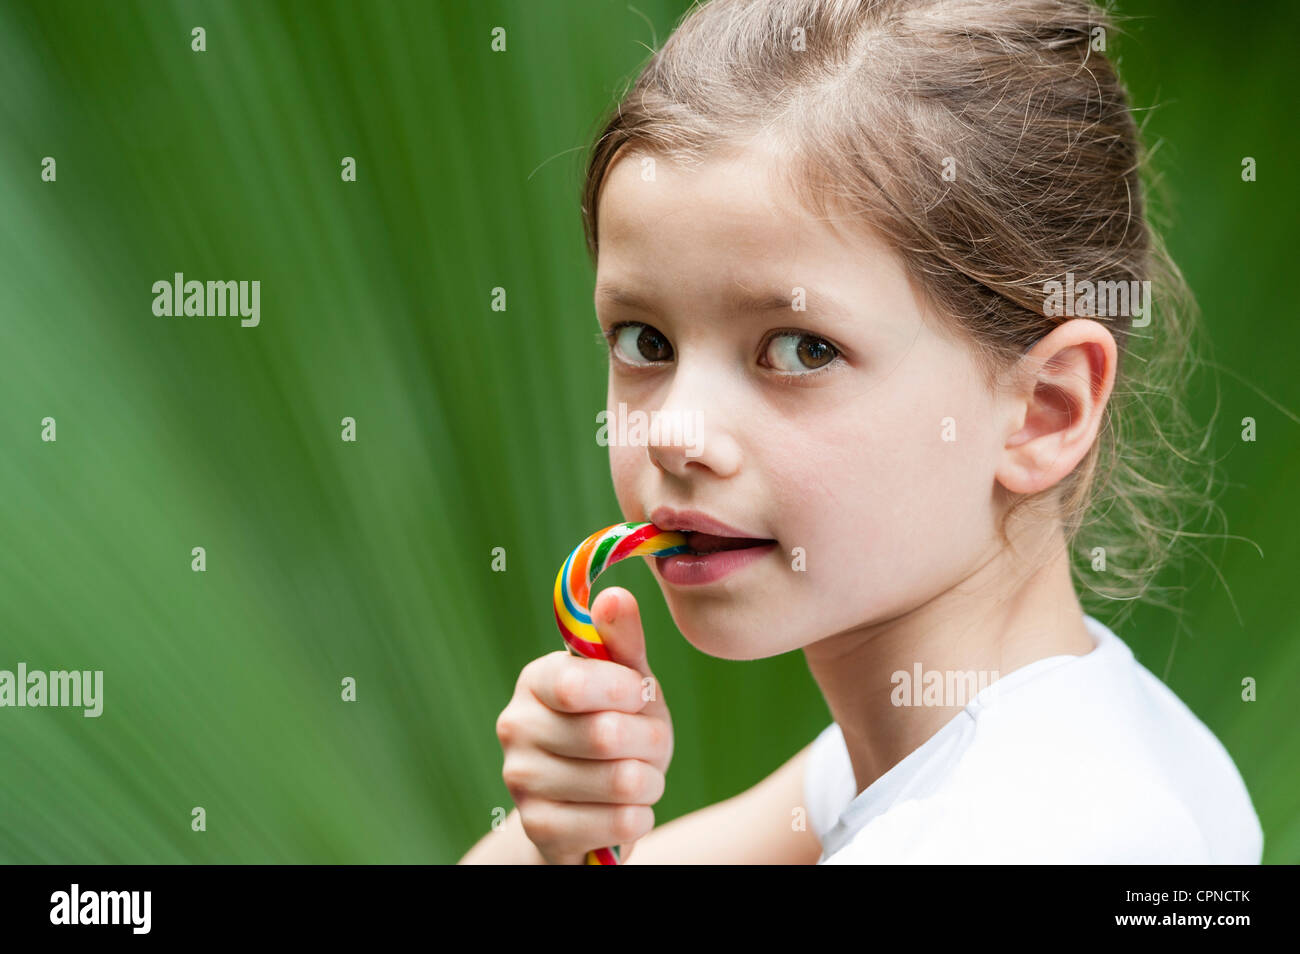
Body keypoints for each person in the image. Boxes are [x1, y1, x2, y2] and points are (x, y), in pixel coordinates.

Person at [460, 0, 1263, 864]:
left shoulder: (1028, 830)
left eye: (801, 349)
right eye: (643, 341)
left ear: (1044, 412)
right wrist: (559, 833)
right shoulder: (960, 746)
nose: (676, 434)